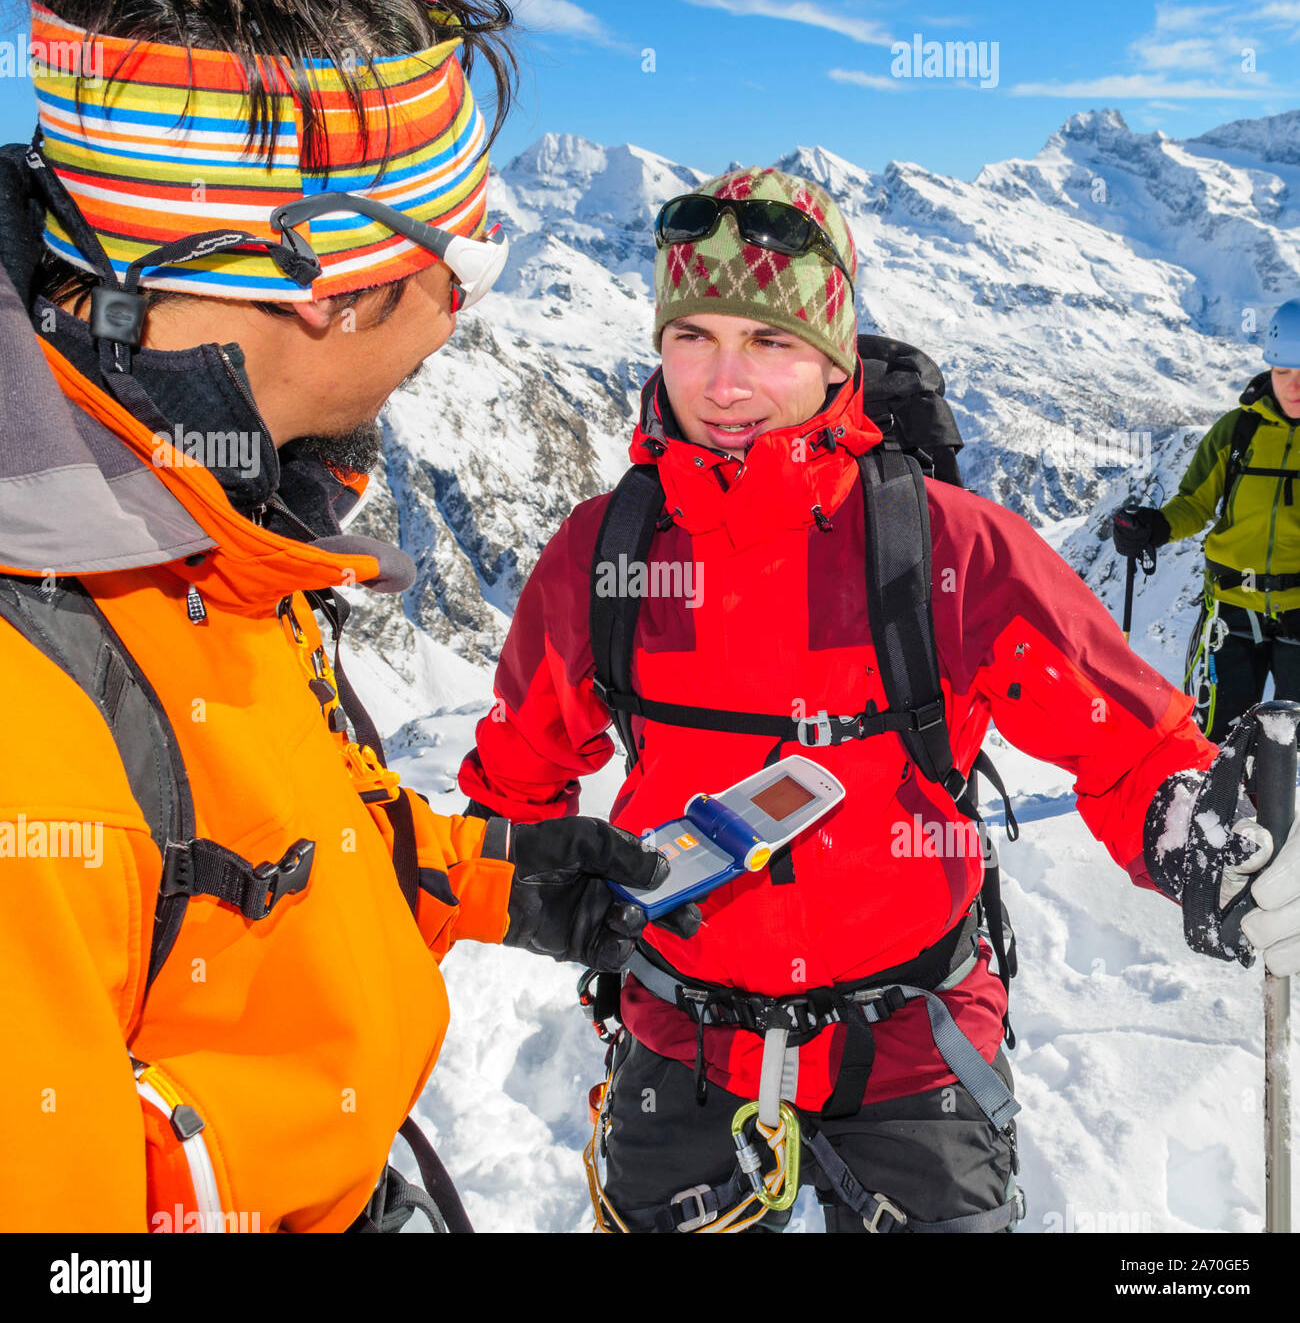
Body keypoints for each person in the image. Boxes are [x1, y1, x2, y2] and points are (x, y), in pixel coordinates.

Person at [0, 0, 691, 1234]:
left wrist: (492, 873)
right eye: (468, 260)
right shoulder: (31, 730)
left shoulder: (184, 507)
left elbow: (242, 843)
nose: (471, 305)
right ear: (320, 276)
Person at [460, 166, 1300, 1234]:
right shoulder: (603, 555)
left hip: (912, 1038)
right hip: (683, 1035)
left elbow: (1129, 746)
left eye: (769, 342)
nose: (724, 383)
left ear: (831, 352)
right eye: (694, 337)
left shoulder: (949, 546)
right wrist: (521, 873)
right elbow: (520, 774)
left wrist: (1205, 840)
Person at [1114, 299, 1300, 743]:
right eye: (1283, 372)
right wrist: (1155, 527)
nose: (1293, 386)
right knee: (1218, 740)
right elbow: (1195, 504)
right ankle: (1223, 814)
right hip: (1230, 608)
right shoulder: (1238, 431)